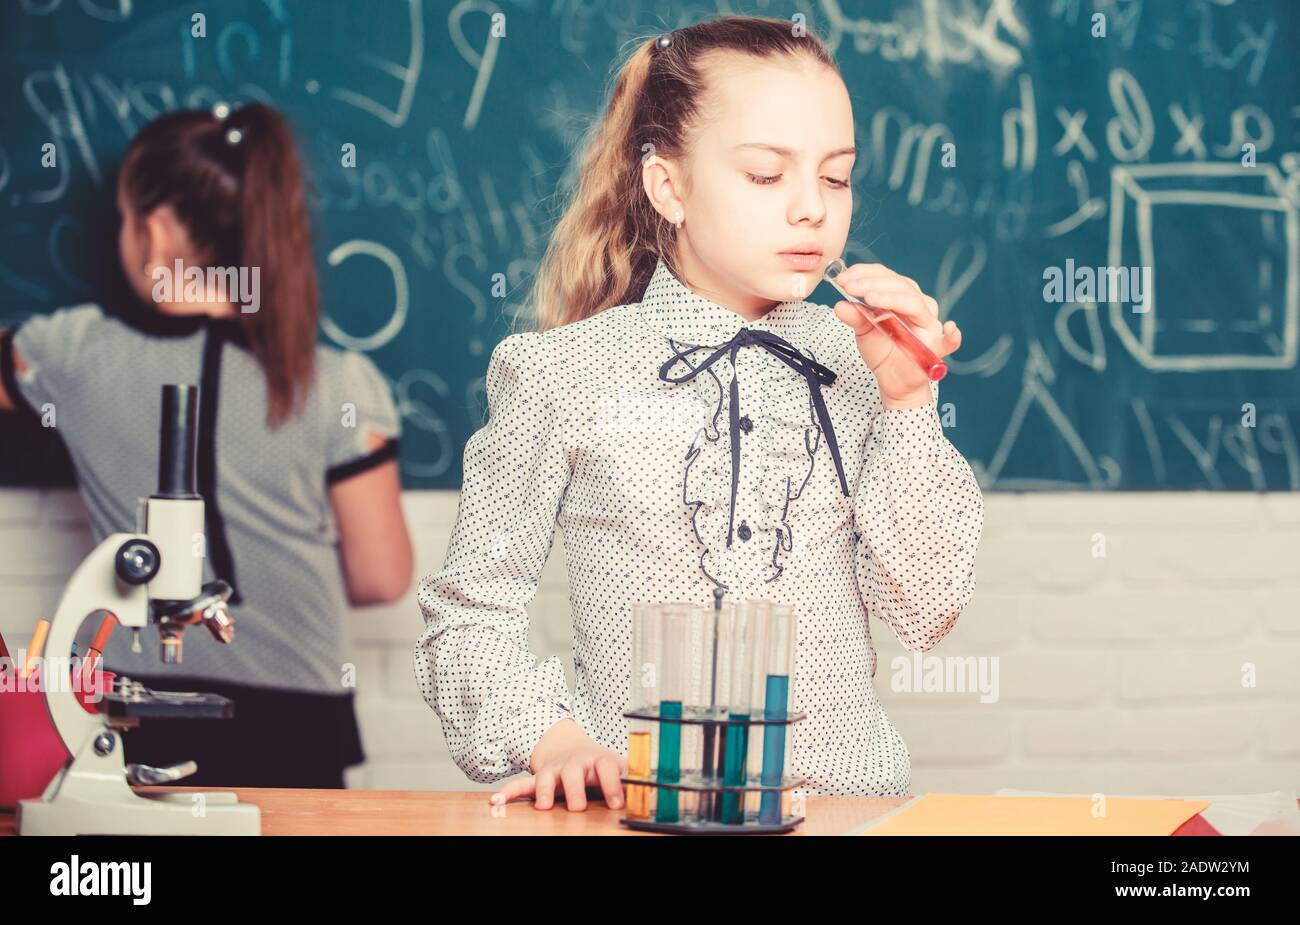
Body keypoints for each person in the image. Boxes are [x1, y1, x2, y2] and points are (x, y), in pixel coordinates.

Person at [414, 15, 984, 810]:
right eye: (764, 175)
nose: (811, 210)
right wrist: (551, 735)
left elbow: (926, 610)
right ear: (668, 186)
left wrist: (910, 402)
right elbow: (466, 615)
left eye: (836, 176)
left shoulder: (866, 361)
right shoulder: (558, 373)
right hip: (639, 815)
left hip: (842, 813)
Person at [0, 102, 414, 788]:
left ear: (157, 231)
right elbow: (381, 576)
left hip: (126, 711)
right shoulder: (339, 382)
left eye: (126, 219)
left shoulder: (71, 355)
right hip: (300, 720)